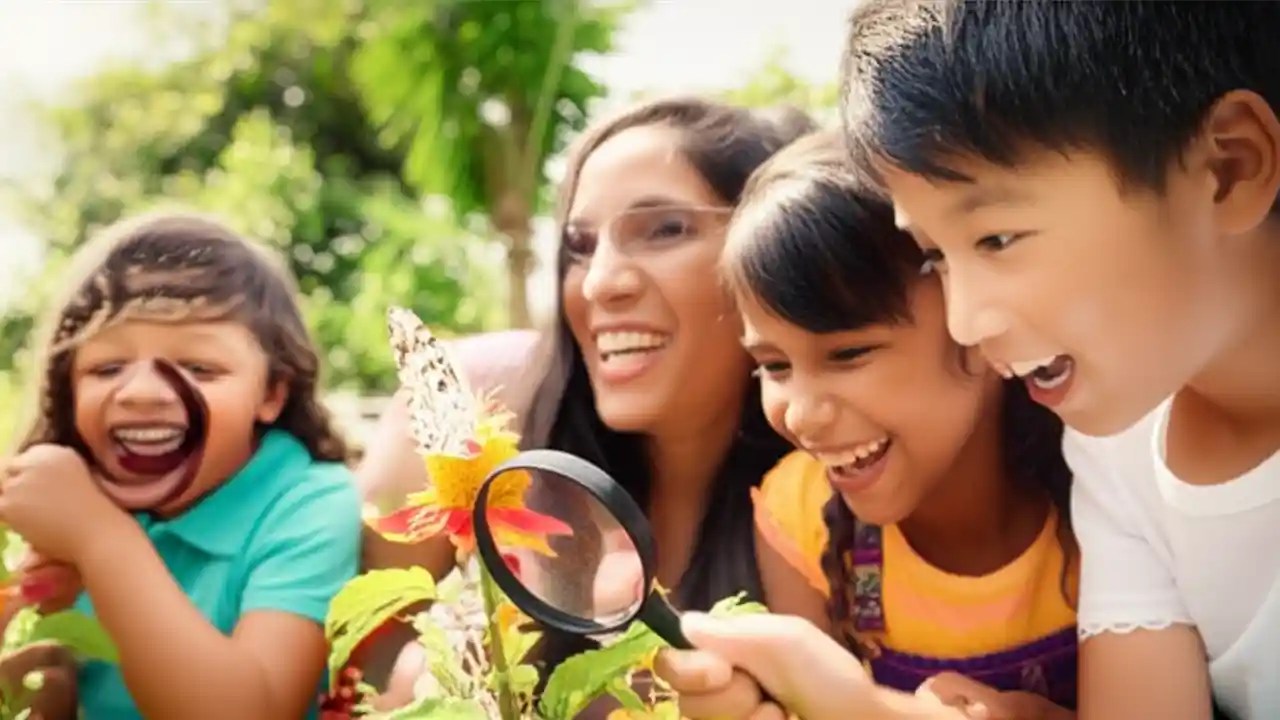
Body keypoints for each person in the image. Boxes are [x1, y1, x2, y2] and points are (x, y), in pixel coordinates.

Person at [662, 2, 1280, 719]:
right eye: (934, 255)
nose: (965, 321)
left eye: (996, 240)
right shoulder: (1116, 456)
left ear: (1228, 168)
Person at [357, 97, 810, 708]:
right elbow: (361, 679)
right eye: (578, 245)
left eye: (665, 229)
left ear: (773, 249)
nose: (599, 282)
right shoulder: (470, 417)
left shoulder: (838, 496)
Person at [680, 130, 1075, 719]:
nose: (802, 413)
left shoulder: (1099, 491)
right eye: (774, 365)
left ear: (971, 312)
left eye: (848, 354)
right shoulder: (799, 516)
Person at [0, 211, 361, 719]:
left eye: (199, 368)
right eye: (107, 368)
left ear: (272, 393)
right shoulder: (58, 503)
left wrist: (99, 538)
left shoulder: (307, 503)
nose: (143, 393)